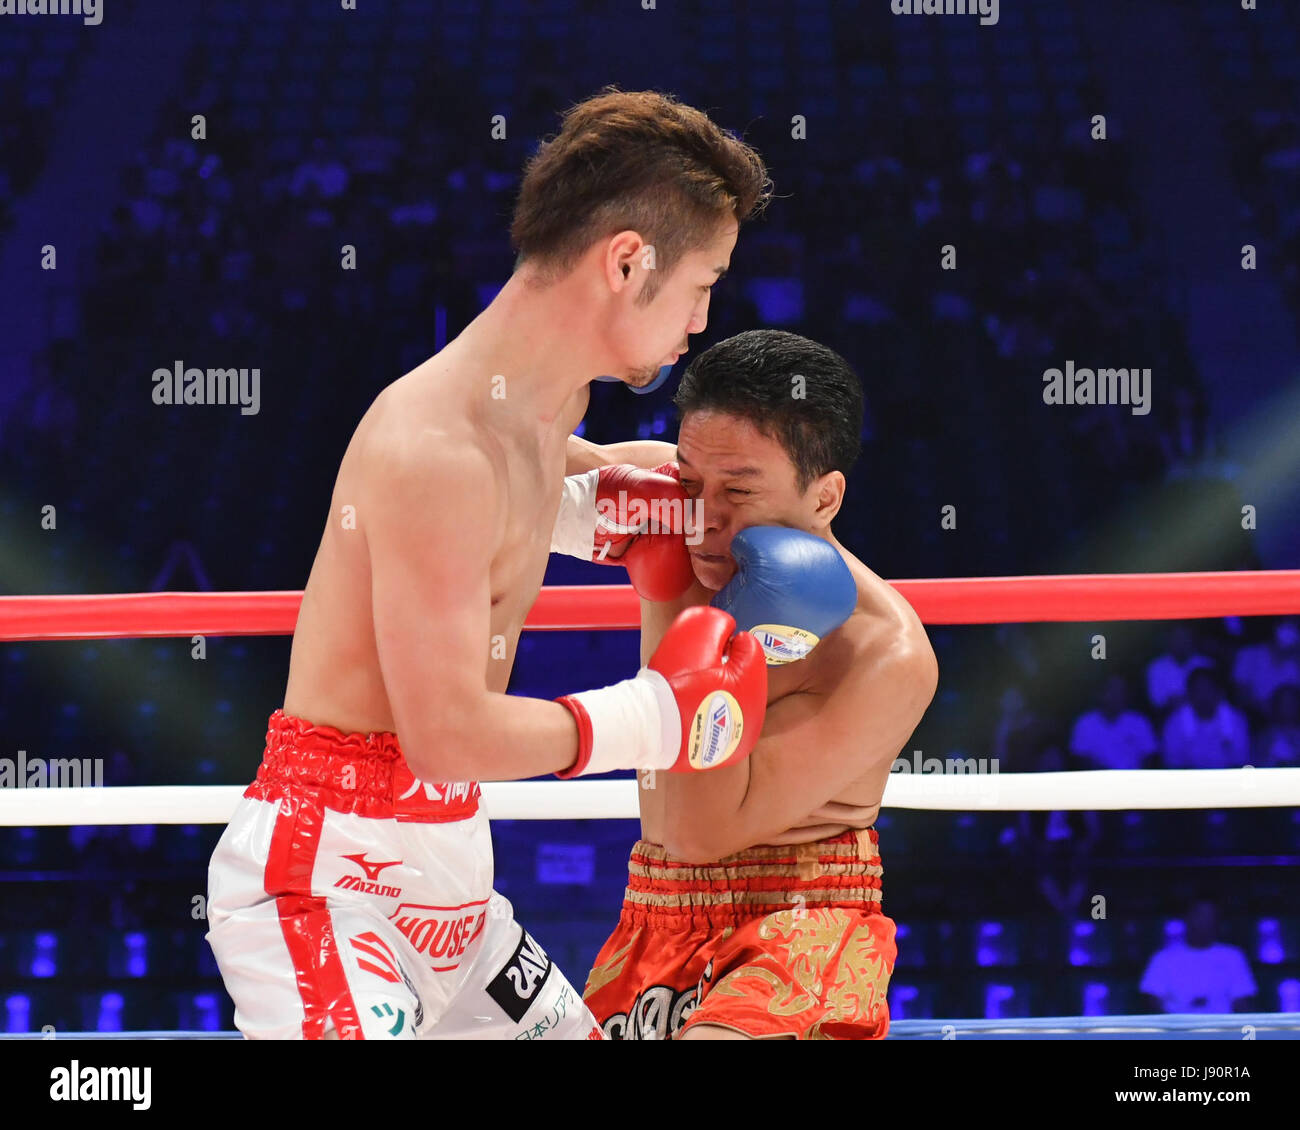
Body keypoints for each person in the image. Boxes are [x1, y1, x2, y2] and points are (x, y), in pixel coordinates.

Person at [206, 88, 773, 1040]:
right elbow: (445, 737)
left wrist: (718, 497)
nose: (701, 319)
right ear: (627, 261)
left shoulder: (539, 417)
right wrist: (656, 717)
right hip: (328, 878)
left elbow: (568, 495)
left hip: (456, 885)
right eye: (702, 283)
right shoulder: (437, 448)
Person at [570, 329, 939, 1039]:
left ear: (824, 498)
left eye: (738, 491)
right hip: (654, 915)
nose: (702, 518)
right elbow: (484, 457)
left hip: (800, 926)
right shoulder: (672, 494)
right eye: (689, 482)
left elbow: (699, 831)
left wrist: (738, 649)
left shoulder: (881, 653)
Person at [1139, 900, 1257, 1014]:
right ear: (1188, 918)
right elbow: (1153, 1001)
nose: (1204, 921)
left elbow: (1242, 1001)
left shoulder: (1233, 956)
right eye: (1199, 915)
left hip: (1221, 1027)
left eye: (1210, 917)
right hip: (1177, 1029)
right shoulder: (1163, 958)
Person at [1068, 673, 1159, 771]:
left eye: (1120, 691)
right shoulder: (1085, 723)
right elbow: (1080, 758)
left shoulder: (1139, 721)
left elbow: (1149, 755)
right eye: (1112, 691)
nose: (1116, 696)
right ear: (1100, 694)